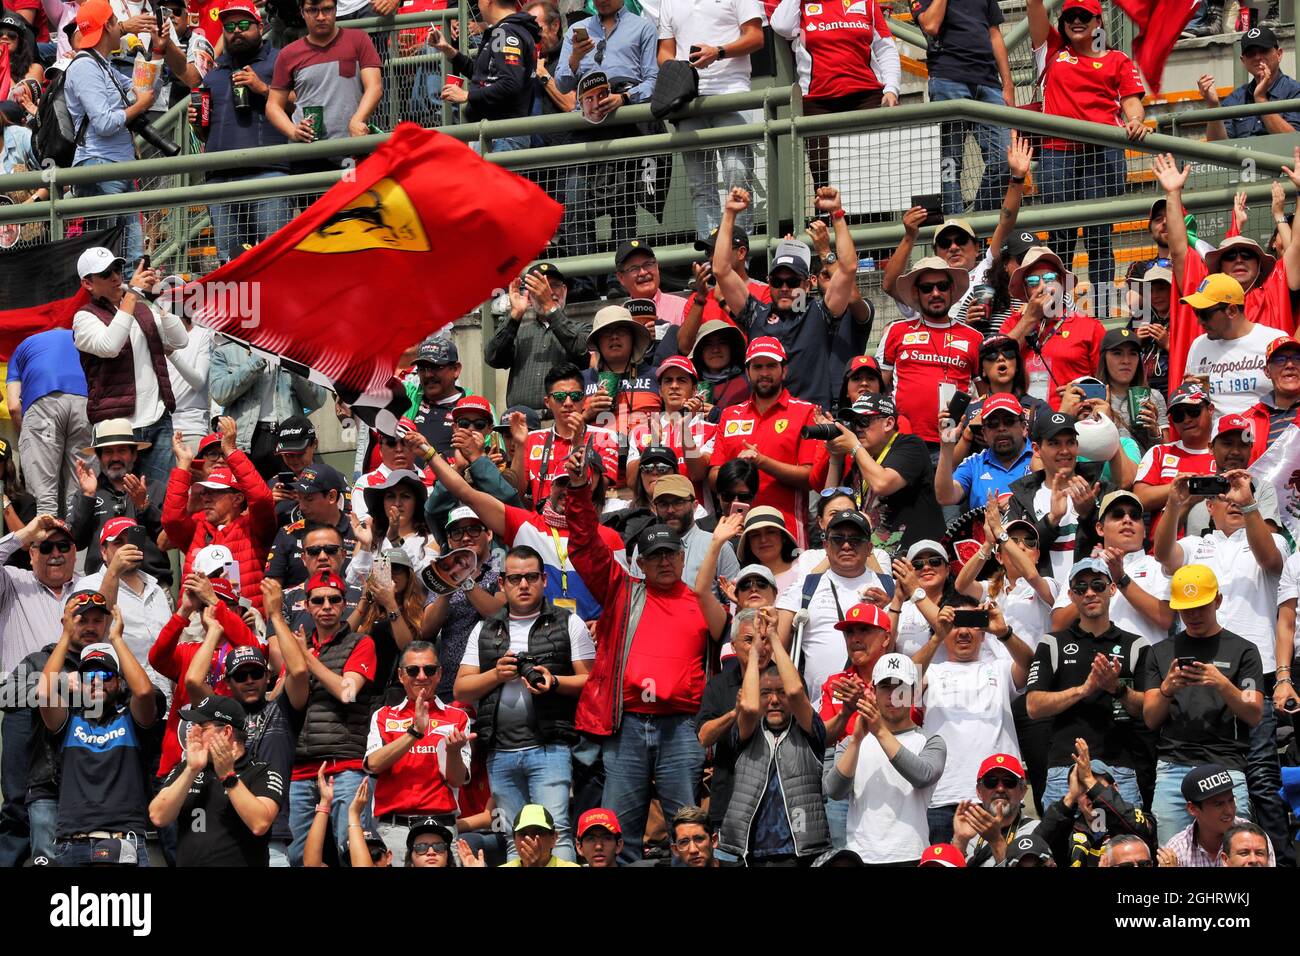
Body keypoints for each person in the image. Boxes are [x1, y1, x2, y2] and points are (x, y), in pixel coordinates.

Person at [567, 447, 727, 863]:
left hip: (683, 729)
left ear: (681, 556)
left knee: (689, 836)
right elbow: (584, 545)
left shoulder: (700, 601)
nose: (664, 563)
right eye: (654, 556)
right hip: (629, 728)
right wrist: (580, 489)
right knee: (621, 835)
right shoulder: (623, 591)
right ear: (640, 561)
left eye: (671, 554)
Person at [1153, 469, 1291, 864]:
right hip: (1197, 670)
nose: (1231, 499)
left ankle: (1273, 860)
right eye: (1223, 494)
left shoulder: (1271, 538)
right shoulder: (1196, 543)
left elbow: (1269, 559)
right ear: (1209, 504)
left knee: (1262, 780)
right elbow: (1164, 556)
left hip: (1254, 669)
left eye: (1241, 494)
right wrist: (1176, 503)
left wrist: (1248, 505)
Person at [453, 545, 593, 863]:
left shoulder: (569, 623)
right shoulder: (484, 628)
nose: (524, 585)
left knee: (555, 831)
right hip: (500, 751)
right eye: (515, 578)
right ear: (502, 583)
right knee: (513, 837)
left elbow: (593, 683)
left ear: (544, 579)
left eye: (531, 576)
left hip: (550, 747)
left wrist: (555, 682)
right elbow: (461, 689)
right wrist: (496, 675)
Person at [1027, 0, 1147, 311]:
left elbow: (1132, 103)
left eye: (1084, 16)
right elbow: (1033, 5)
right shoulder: (1052, 49)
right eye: (1070, 16)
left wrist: (1135, 120)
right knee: (1060, 238)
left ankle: (1103, 312)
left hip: (1101, 152)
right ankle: (1059, 310)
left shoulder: (1118, 60)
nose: (1076, 21)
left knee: (1099, 237)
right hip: (1057, 153)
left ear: (1099, 21)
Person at [703, 187, 867, 411]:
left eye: (792, 281)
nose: (784, 288)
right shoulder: (756, 314)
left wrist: (837, 214)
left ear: (808, 284)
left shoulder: (820, 313)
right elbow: (721, 269)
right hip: (766, 421)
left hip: (812, 421)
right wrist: (730, 214)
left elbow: (848, 268)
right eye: (777, 281)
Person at [188, 578, 308, 868]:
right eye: (241, 676)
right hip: (227, 833)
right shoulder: (222, 713)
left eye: (256, 673)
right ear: (228, 683)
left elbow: (300, 670)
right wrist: (214, 633)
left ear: (268, 676)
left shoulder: (284, 708)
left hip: (273, 835)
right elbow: (193, 681)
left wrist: (276, 615)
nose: (250, 680)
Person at [1141, 565, 1262, 845]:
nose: (1193, 615)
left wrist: (1221, 683)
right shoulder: (1160, 652)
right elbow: (1149, 718)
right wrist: (1167, 689)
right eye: (1186, 608)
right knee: (1171, 856)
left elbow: (1254, 713)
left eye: (1201, 606)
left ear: (1217, 600)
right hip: (1173, 766)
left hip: (1226, 763)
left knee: (1234, 852)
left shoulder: (1244, 650)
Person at [38, 608, 159, 866]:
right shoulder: (70, 722)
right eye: (89, 676)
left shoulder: (130, 720)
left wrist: (116, 639)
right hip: (73, 844)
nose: (97, 682)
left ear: (118, 682)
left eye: (105, 675)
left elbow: (145, 693)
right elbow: (45, 693)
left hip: (126, 842)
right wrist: (66, 636)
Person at [1025, 558, 1149, 809]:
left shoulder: (1136, 645)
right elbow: (1033, 706)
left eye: (1097, 585)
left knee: (1127, 846)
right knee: (1060, 846)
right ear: (1071, 595)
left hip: (1120, 768)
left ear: (1112, 589)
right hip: (1063, 767)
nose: (1090, 593)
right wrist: (1084, 690)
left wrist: (1118, 689)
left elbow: (1149, 709)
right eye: (1080, 588)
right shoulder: (1052, 643)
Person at [552, 0, 659, 282]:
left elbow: (652, 80)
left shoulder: (643, 27)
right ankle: (585, 281)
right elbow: (562, 83)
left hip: (624, 125)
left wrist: (624, 97)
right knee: (574, 202)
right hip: (584, 127)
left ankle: (620, 282)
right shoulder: (576, 29)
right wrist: (575, 57)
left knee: (622, 205)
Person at [919, 596, 1034, 844]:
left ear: (983, 633)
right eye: (955, 624)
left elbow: (1030, 664)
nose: (962, 632)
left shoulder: (1000, 669)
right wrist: (937, 636)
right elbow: (900, 691)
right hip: (943, 798)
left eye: (971, 623)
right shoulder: (932, 672)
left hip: (998, 794)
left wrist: (1003, 633)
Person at [719, 606, 830, 866]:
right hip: (753, 852)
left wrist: (774, 638)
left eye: (780, 693)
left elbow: (794, 692)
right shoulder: (748, 731)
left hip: (799, 852)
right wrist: (756, 651)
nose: (774, 701)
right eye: (766, 693)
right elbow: (747, 706)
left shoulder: (808, 730)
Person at [286, 569, 379, 867]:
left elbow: (347, 693)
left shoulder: (360, 643)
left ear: (344, 604)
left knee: (350, 850)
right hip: (302, 768)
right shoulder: (299, 648)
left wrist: (307, 659)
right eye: (319, 600)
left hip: (346, 765)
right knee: (299, 857)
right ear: (308, 605)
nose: (326, 605)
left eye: (334, 599)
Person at [188, 0, 291, 265]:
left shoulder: (279, 60)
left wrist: (263, 88)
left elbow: (299, 102)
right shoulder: (213, 74)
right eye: (230, 26)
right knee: (229, 264)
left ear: (259, 26)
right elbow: (204, 135)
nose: (237, 31)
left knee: (274, 258)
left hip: (267, 174)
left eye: (244, 24)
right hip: (221, 180)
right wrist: (197, 123)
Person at [73, 248, 189, 483]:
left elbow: (181, 340)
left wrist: (158, 299)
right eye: (105, 274)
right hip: (116, 427)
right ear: (87, 283)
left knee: (159, 500)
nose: (116, 277)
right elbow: (110, 346)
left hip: (158, 419)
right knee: (119, 500)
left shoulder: (142, 307)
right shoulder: (84, 317)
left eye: (116, 269)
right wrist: (133, 293)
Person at [655, 0, 764, 239]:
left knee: (738, 177)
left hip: (731, 93)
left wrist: (718, 51)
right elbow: (665, 50)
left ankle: (739, 259)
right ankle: (713, 259)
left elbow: (756, 37)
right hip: (688, 99)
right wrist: (677, 68)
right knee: (700, 187)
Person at [826, 652, 947, 866]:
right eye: (885, 687)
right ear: (873, 691)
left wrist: (880, 731)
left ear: (914, 693)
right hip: (860, 856)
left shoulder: (930, 741)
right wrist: (855, 741)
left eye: (900, 687)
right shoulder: (852, 742)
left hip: (911, 854)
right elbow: (834, 790)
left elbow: (922, 776)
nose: (893, 695)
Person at [768, 0, 900, 189]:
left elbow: (885, 48)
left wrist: (891, 88)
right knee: (823, 172)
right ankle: (828, 217)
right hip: (817, 102)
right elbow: (782, 26)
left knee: (871, 169)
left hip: (866, 97)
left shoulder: (866, 2)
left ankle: (876, 218)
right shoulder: (801, 6)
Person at [62, 0, 156, 262]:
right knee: (106, 256)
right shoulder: (84, 66)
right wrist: (139, 106)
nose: (120, 27)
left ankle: (127, 301)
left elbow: (144, 87)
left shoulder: (103, 64)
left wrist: (159, 48)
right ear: (108, 26)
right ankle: (101, 304)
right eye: (116, 21)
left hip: (118, 166)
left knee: (132, 255)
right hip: (99, 165)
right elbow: (103, 123)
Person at [365, 641, 473, 866]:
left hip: (441, 830)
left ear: (440, 673)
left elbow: (456, 780)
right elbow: (374, 764)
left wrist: (453, 752)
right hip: (394, 829)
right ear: (401, 675)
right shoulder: (383, 716)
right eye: (413, 670)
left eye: (429, 670)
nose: (421, 676)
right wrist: (415, 732)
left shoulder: (458, 717)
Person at [148, 693, 284, 866]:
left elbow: (260, 824)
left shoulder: (261, 771)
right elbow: (158, 816)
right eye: (193, 726)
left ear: (226, 732)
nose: (193, 732)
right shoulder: (188, 768)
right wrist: (191, 770)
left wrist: (228, 776)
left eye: (202, 728)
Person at [708, 338, 818, 547]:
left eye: (771, 366)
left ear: (784, 371)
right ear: (747, 372)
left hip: (787, 533)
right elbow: (713, 477)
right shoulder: (730, 415)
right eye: (757, 366)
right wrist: (736, 471)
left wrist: (762, 462)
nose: (764, 373)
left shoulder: (806, 412)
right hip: (737, 532)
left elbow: (809, 478)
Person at [775, 510, 891, 708]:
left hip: (880, 706)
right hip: (817, 709)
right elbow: (777, 647)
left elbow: (902, 647)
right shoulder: (805, 587)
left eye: (855, 539)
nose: (846, 545)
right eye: (838, 539)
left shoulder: (890, 587)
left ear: (870, 547)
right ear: (826, 546)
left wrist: (889, 607)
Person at [163, 418, 278, 611]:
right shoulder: (198, 527)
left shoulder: (254, 527)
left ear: (237, 499)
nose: (206, 498)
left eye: (215, 492)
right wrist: (183, 465)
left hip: (242, 628)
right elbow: (172, 521)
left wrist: (232, 452)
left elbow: (261, 498)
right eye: (205, 492)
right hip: (197, 630)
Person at [912, 0, 1014, 215]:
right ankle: (956, 230)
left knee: (1004, 158)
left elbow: (994, 33)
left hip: (988, 82)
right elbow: (930, 25)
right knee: (950, 164)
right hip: (948, 80)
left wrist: (1008, 83)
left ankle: (983, 226)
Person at [876, 256, 983, 449]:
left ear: (951, 290)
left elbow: (985, 394)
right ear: (916, 293)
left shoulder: (974, 337)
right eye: (927, 288)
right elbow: (878, 386)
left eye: (942, 286)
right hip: (903, 441)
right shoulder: (896, 331)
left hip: (955, 441)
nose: (935, 293)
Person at [1048, 490, 1172, 649]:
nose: (1127, 520)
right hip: (1092, 665)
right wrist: (1092, 590)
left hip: (1144, 667)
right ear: (1100, 529)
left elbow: (1165, 619)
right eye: (1117, 515)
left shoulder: (1159, 565)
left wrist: (1121, 579)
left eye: (1135, 516)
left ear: (1144, 530)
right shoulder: (1082, 569)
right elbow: (1058, 625)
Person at [695, 607, 772, 844]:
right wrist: (735, 712)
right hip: (729, 796)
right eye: (749, 640)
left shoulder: (785, 680)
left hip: (773, 800)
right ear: (734, 644)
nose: (759, 647)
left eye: (765, 640)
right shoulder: (719, 686)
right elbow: (704, 737)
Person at [1004, 411, 1107, 587]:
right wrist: (1051, 520)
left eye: (1070, 442)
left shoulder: (1101, 489)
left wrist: (1089, 514)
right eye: (1054, 443)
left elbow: (1117, 545)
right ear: (1036, 449)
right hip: (1041, 601)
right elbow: (1011, 558)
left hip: (1092, 597)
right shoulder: (1020, 500)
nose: (1065, 451)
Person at [833, 394, 946, 552]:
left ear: (888, 423)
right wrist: (835, 457)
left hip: (917, 560)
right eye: (854, 422)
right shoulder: (863, 460)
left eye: (864, 421)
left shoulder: (911, 445)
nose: (857, 428)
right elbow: (831, 501)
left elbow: (882, 484)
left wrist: (854, 446)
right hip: (878, 559)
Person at [999, 247, 1105, 410]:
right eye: (1033, 282)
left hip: (1070, 427)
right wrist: (1030, 318)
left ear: (1062, 283)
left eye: (1050, 279)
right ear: (1026, 290)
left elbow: (1103, 385)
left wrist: (1082, 394)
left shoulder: (1090, 327)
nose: (1042, 286)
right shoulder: (1012, 324)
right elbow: (997, 361)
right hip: (1021, 423)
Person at [207, 337, 328, 479]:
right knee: (245, 497)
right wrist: (258, 358)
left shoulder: (298, 351)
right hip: (244, 441)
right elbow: (220, 394)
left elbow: (318, 400)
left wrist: (294, 364)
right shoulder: (225, 351)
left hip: (288, 439)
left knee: (286, 495)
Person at [265, 0, 382, 147]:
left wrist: (358, 119)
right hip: (306, 149)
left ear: (335, 10)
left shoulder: (359, 40)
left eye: (327, 9)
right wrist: (293, 130)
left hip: (352, 144)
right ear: (302, 12)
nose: (320, 17)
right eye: (312, 10)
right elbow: (273, 106)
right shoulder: (288, 54)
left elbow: (375, 87)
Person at [77, 518, 172, 696]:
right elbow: (98, 624)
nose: (127, 548)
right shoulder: (88, 585)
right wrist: (114, 571)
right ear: (104, 552)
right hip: (119, 699)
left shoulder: (157, 589)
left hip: (164, 700)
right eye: (118, 543)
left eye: (132, 542)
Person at [69, 419, 169, 585]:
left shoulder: (156, 489)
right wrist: (88, 497)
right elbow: (76, 543)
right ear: (99, 457)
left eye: (122, 450)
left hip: (152, 586)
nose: (115, 457)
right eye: (108, 452)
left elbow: (168, 540)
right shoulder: (88, 492)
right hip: (102, 587)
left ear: (134, 454)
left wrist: (145, 506)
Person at [431, 0, 539, 152]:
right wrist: (449, 50)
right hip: (497, 133)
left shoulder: (505, 32)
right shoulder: (503, 30)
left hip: (502, 135)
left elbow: (510, 84)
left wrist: (467, 95)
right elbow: (483, 75)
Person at [5, 328, 90, 519]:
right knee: (79, 494)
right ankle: (78, 546)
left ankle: (48, 548)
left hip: (43, 405)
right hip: (85, 405)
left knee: (44, 498)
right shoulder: (84, 339)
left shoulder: (22, 347)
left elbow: (13, 407)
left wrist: (28, 437)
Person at [485, 264, 591, 414]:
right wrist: (514, 316)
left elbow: (582, 351)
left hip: (565, 418)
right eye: (540, 288)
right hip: (522, 423)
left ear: (565, 290)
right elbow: (493, 357)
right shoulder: (519, 332)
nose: (548, 292)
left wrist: (549, 307)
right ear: (528, 296)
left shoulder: (583, 329)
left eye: (554, 286)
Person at [1036, 738, 1156, 866]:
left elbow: (1135, 825)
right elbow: (1034, 846)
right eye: (1083, 790)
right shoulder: (1068, 831)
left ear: (1115, 788)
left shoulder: (1133, 821)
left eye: (1094, 786)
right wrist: (1071, 796)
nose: (1091, 795)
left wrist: (1088, 779)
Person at [1182, 273, 1288, 416]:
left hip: (1266, 433)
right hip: (1216, 435)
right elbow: (1195, 404)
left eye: (1205, 313)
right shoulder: (1199, 345)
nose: (1199, 321)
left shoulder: (1273, 340)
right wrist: (1189, 392)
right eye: (1196, 312)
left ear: (1231, 311)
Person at [518, 363, 619, 507]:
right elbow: (518, 492)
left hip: (584, 523)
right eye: (559, 396)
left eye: (575, 396)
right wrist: (518, 445)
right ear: (547, 402)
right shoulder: (532, 438)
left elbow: (598, 490)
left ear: (584, 400)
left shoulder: (605, 437)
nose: (568, 403)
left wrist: (578, 442)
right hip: (542, 526)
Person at [631, 474, 738, 589]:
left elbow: (733, 601)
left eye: (678, 502)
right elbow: (635, 597)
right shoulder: (643, 547)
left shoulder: (719, 546)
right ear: (655, 508)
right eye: (663, 504)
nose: (670, 510)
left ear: (695, 505)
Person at [1131, 383, 1215, 524]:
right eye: (1178, 415)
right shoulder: (1159, 452)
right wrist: (1189, 486)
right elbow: (1139, 498)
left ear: (1210, 409)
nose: (1187, 419)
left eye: (1193, 411)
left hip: (1213, 542)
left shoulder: (1226, 450)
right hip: (1166, 543)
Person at [1198, 27, 1300, 141]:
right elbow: (1219, 146)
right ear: (1243, 61)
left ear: (1279, 54)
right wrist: (1213, 106)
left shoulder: (1295, 92)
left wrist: (1261, 99)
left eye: (1264, 50)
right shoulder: (1236, 98)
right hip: (1243, 159)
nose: (1257, 57)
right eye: (1251, 54)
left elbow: (1294, 142)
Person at [1163, 764, 1275, 866]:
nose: (1229, 810)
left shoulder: (1255, 840)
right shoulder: (1177, 850)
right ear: (1192, 808)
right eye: (1218, 804)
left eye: (1231, 800)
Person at [1185, 414, 1280, 536]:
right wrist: (1184, 503)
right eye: (1227, 444)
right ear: (1211, 447)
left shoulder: (1263, 488)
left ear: (1251, 448)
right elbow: (1167, 539)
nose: (1235, 451)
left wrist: (1248, 503)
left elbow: (1271, 539)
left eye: (1243, 445)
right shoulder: (1195, 487)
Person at [936, 393, 1031, 510]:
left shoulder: (1041, 458)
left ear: (1024, 428)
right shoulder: (974, 463)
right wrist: (946, 446)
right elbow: (945, 497)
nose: (1001, 428)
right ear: (984, 434)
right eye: (993, 424)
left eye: (1009, 421)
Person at [265, 464, 352, 588]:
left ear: (332, 496)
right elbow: (271, 587)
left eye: (309, 499)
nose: (302, 507)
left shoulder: (359, 532)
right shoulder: (287, 533)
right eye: (299, 499)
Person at [950, 752, 1039, 866]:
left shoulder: (1037, 831)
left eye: (1009, 781)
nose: (1000, 788)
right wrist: (960, 841)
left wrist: (996, 841)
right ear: (979, 792)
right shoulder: (969, 832)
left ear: (1023, 791)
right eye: (991, 782)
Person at [1096, 328, 1166, 454]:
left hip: (1145, 471)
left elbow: (1166, 453)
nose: (1126, 361)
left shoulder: (1154, 396)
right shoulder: (1093, 399)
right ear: (1104, 358)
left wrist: (1154, 431)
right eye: (1117, 353)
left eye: (1133, 353)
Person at [1244, 336, 1300, 463]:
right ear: (1267, 371)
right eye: (1280, 360)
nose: (1290, 365)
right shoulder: (1249, 420)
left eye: (1297, 358)